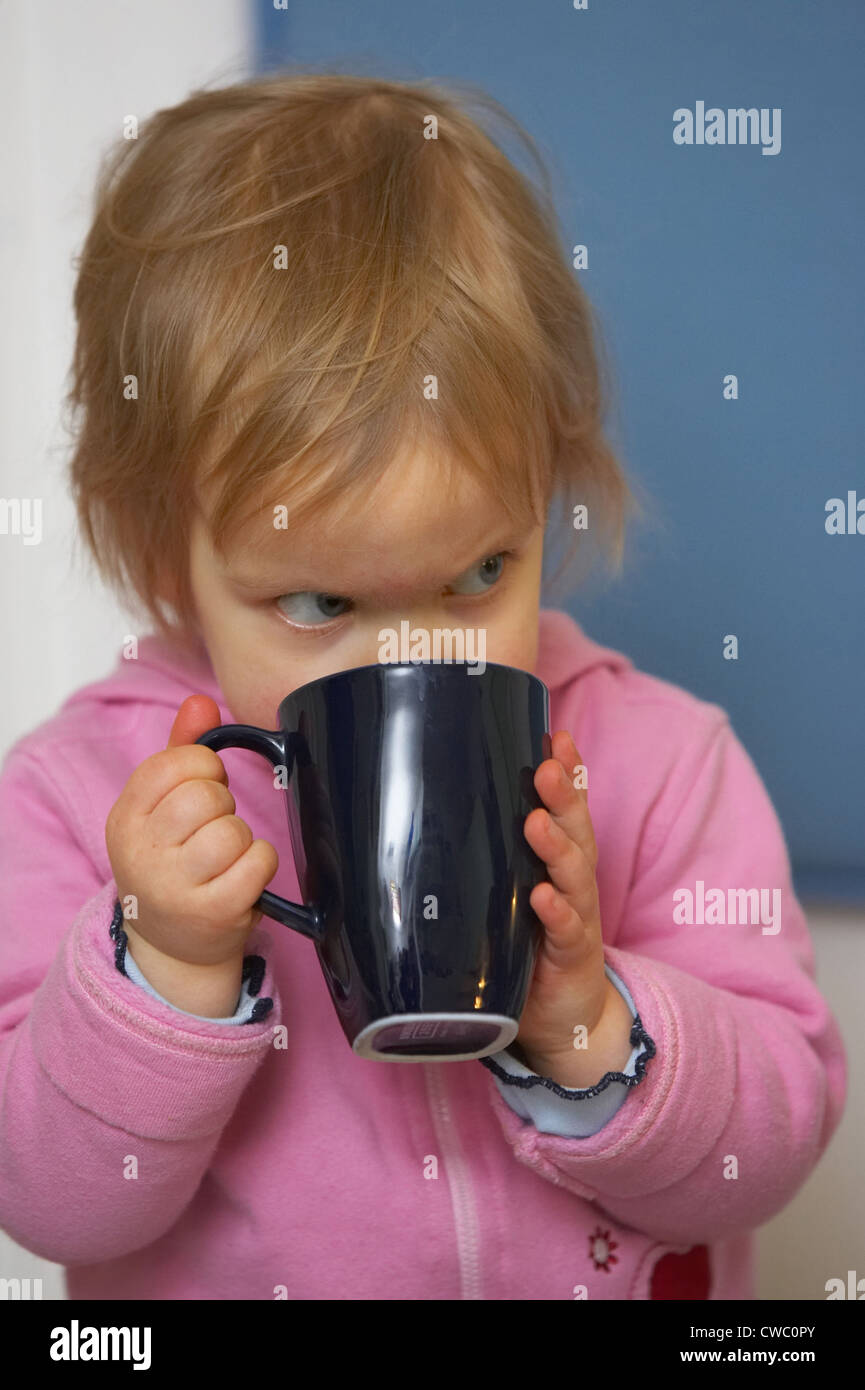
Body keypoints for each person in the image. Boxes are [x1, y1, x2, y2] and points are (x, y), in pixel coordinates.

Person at [0, 71, 846, 1300]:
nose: (418, 660)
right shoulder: (74, 798)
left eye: (476, 574)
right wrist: (162, 971)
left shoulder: (663, 761)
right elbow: (45, 1200)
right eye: (319, 604)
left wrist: (589, 1026)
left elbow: (767, 1153)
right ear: (159, 554)